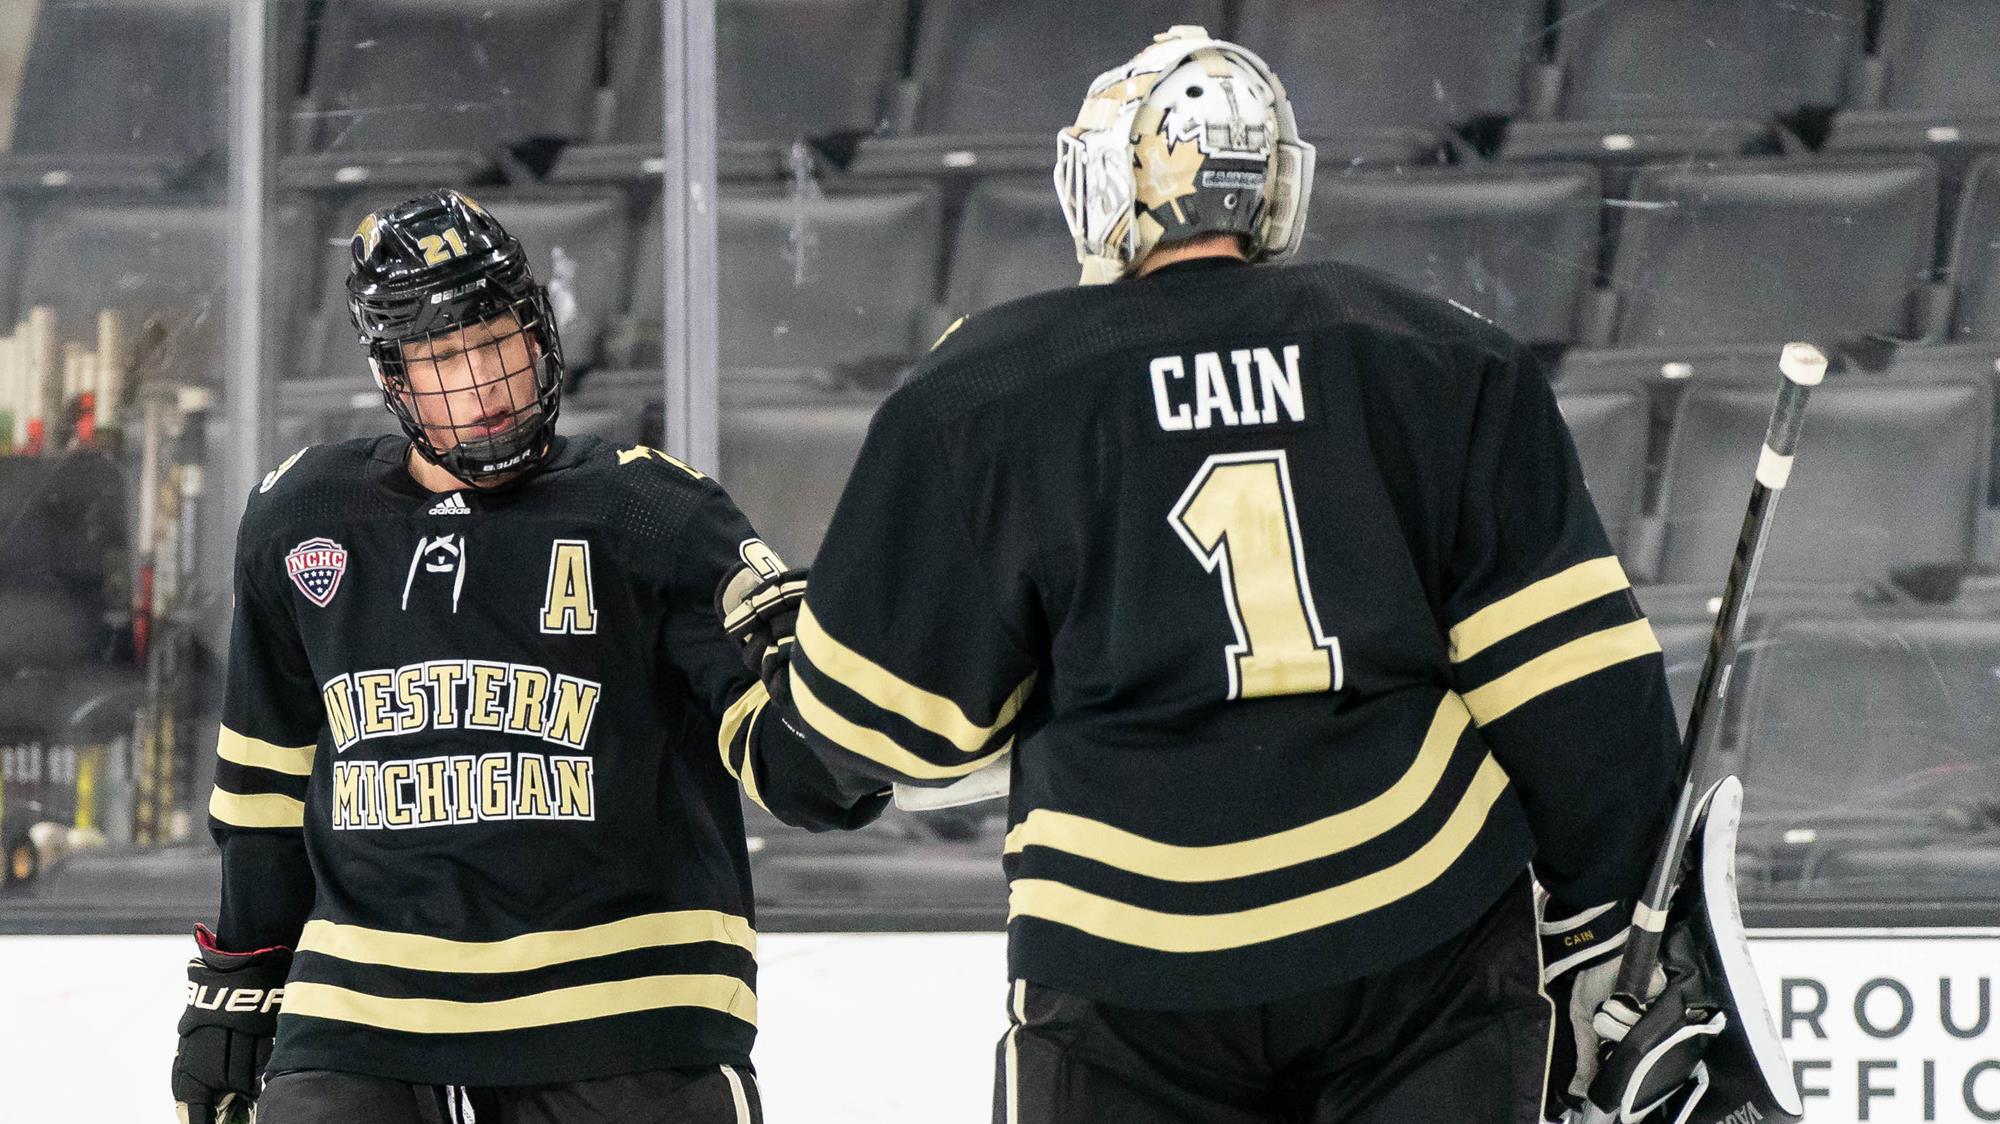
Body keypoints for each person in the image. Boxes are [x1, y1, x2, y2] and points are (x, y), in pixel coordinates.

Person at [716, 26, 1677, 1124]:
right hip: (1418, 929)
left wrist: (784, 704)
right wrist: (1615, 922)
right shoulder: (1438, 353)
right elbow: (1571, 679)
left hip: (1128, 965)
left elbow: (876, 732)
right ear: (1270, 184)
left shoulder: (984, 392)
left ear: (1101, 184)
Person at [169, 189, 880, 1124]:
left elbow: (811, 782)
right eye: (442, 359)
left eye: (497, 342)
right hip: (362, 1027)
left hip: (629, 1016)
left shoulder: (655, 516)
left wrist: (841, 681)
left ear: (539, 332)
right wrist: (238, 986)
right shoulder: (303, 520)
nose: (484, 384)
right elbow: (263, 798)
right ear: (391, 376)